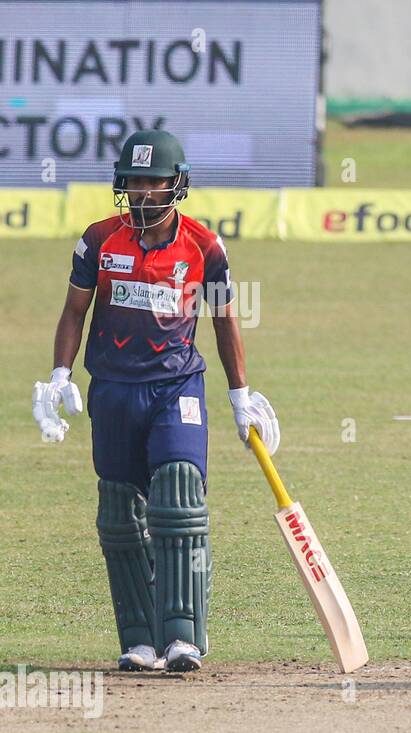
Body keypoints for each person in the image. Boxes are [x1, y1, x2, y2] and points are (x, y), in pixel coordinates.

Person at [31, 129, 281, 672]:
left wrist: (240, 396)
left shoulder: (204, 246)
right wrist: (58, 375)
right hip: (113, 391)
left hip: (176, 387)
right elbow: (75, 311)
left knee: (178, 499)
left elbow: (223, 318)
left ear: (178, 185)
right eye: (135, 183)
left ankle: (183, 636)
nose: (144, 194)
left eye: (155, 183)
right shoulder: (98, 240)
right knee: (120, 514)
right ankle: (141, 639)